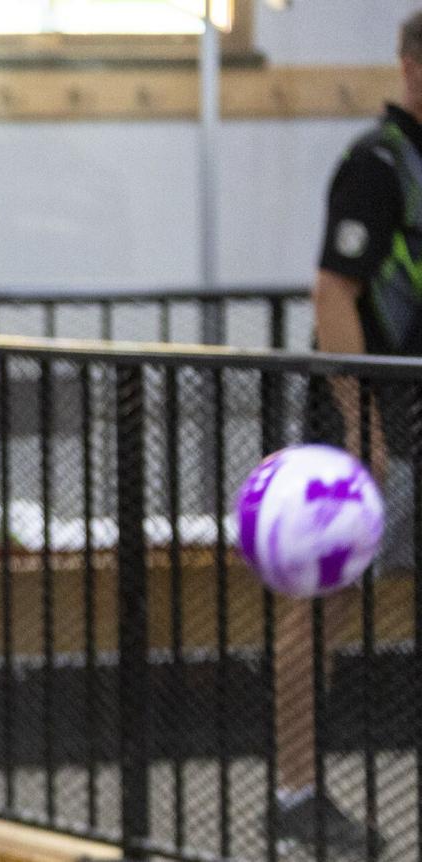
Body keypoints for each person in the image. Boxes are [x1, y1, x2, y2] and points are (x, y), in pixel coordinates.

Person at [276, 10, 422, 856]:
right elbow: (333, 294)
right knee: (322, 604)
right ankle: (297, 794)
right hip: (362, 429)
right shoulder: (376, 164)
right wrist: (365, 425)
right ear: (408, 67)